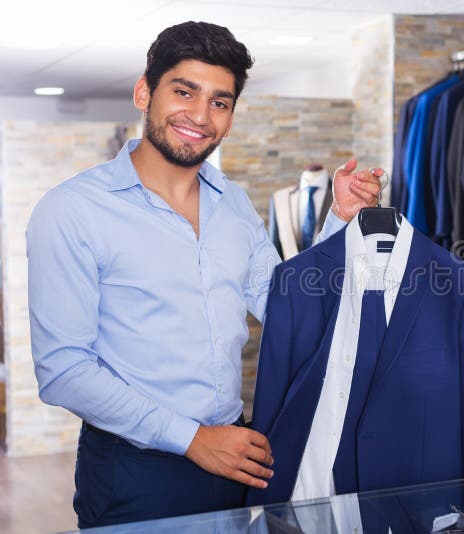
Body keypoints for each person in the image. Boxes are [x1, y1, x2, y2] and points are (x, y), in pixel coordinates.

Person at [25, 21, 383, 528]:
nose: (200, 115)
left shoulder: (232, 203)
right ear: (144, 91)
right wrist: (192, 440)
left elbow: (286, 307)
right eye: (184, 91)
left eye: (220, 101)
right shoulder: (71, 211)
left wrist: (338, 222)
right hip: (137, 470)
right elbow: (64, 370)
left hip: (236, 454)